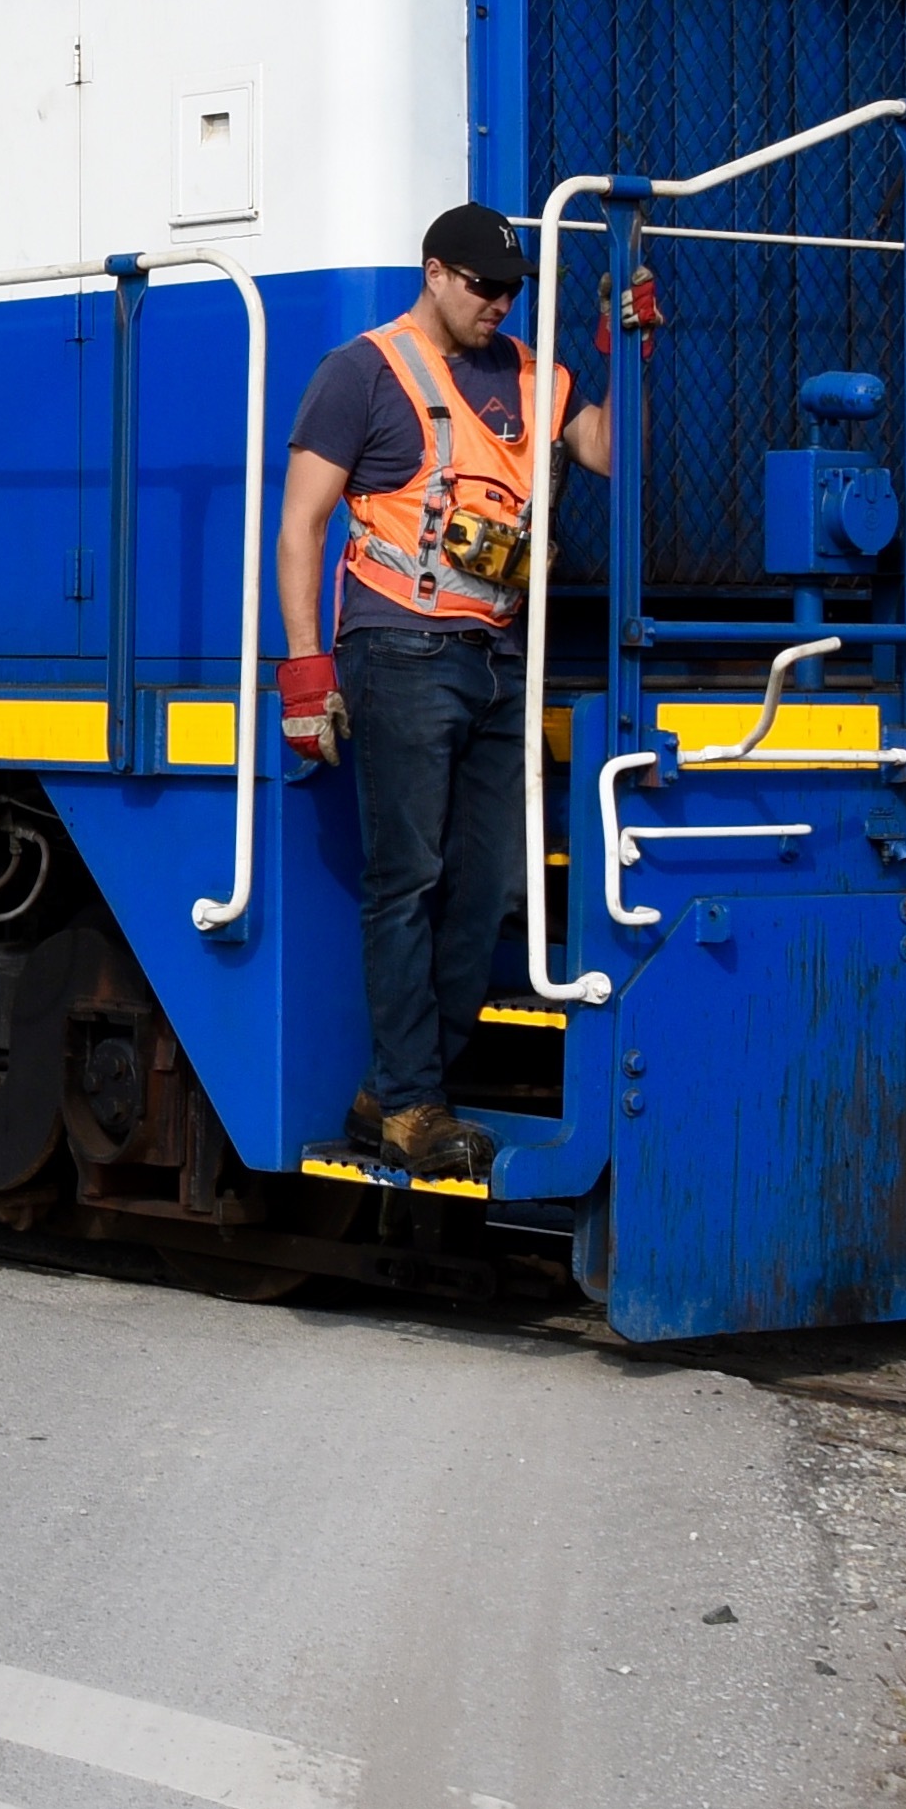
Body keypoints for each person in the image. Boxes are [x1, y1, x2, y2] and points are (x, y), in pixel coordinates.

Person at [274, 200, 614, 1179]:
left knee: (492, 885)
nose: (497, 304)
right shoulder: (361, 372)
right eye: (481, 286)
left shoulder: (529, 376)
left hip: (498, 661)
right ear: (433, 273)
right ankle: (416, 1106)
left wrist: (624, 344)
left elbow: (605, 450)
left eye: (509, 290)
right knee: (407, 880)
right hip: (398, 652)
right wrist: (306, 675)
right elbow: (301, 526)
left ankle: (395, 1086)